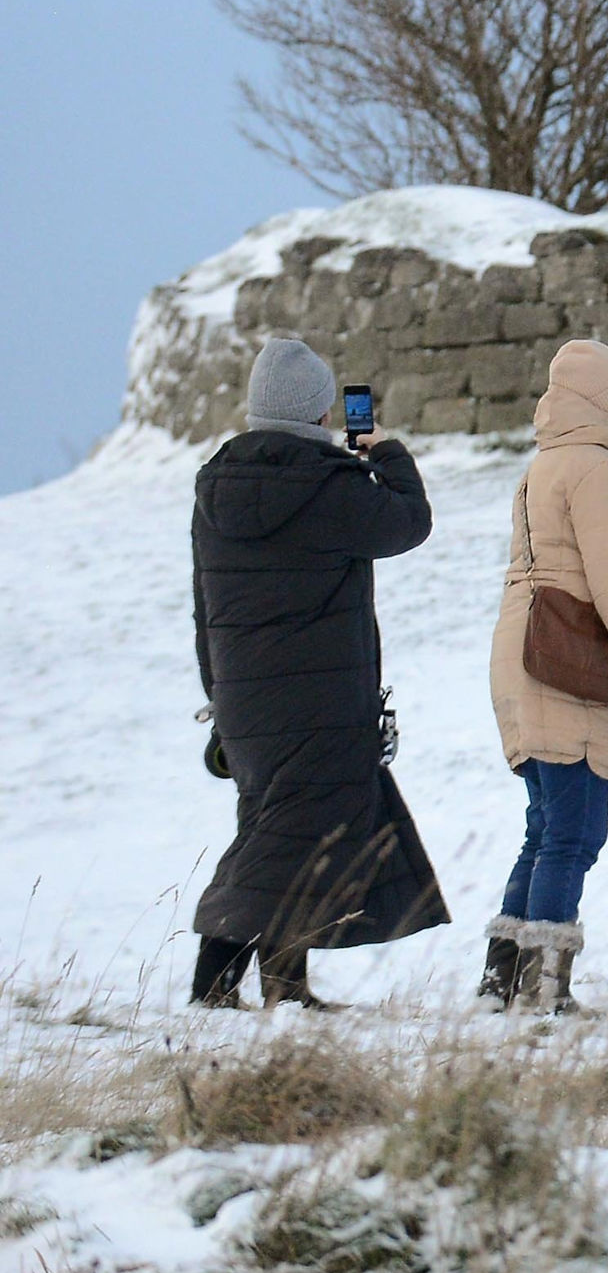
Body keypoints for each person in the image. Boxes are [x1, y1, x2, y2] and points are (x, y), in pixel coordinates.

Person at [191, 336, 447, 1008]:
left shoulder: (217, 485)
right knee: (283, 842)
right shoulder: (328, 486)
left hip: (247, 703)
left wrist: (219, 698)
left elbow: (203, 605)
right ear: (320, 411)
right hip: (320, 698)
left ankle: (286, 989)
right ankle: (211, 986)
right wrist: (384, 451)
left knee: (286, 834)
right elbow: (409, 522)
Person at [481, 339, 608, 1015]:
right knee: (573, 833)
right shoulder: (598, 469)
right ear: (603, 400)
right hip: (567, 661)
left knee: (545, 827)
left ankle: (501, 982)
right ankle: (543, 990)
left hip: (522, 652)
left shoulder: (545, 463)